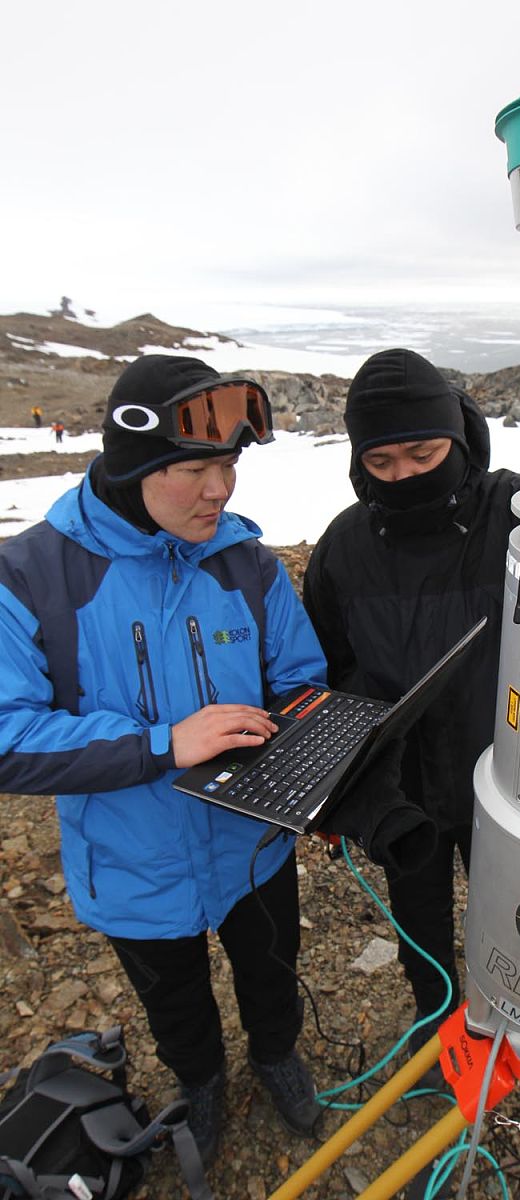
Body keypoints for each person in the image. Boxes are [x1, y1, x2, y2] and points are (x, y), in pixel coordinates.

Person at [0, 354, 332, 1167]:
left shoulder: (244, 563)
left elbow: (300, 679)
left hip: (252, 844)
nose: (220, 491)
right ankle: (202, 1081)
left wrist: (306, 752)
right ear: (133, 462)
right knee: (174, 997)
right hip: (132, 858)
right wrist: (163, 743)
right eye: (194, 468)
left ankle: (276, 1056)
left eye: (228, 466)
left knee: (271, 970)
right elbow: (7, 737)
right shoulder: (32, 574)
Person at [303, 348, 520, 1067]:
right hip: (401, 790)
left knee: (515, 922)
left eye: (423, 453)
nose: (404, 476)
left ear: (457, 440)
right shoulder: (343, 545)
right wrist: (342, 787)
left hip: (508, 782)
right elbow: (329, 668)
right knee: (421, 926)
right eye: (383, 462)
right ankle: (440, 1039)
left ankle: (516, 1038)